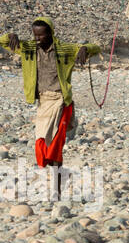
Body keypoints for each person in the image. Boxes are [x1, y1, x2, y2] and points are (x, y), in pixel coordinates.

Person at [2, 17, 100, 167]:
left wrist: (85, 48)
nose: (37, 38)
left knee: (55, 142)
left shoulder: (64, 49)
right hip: (43, 101)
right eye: (35, 34)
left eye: (41, 35)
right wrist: (10, 36)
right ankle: (53, 174)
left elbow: (96, 48)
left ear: (50, 33)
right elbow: (2, 42)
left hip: (61, 100)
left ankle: (57, 178)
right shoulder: (28, 48)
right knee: (41, 140)